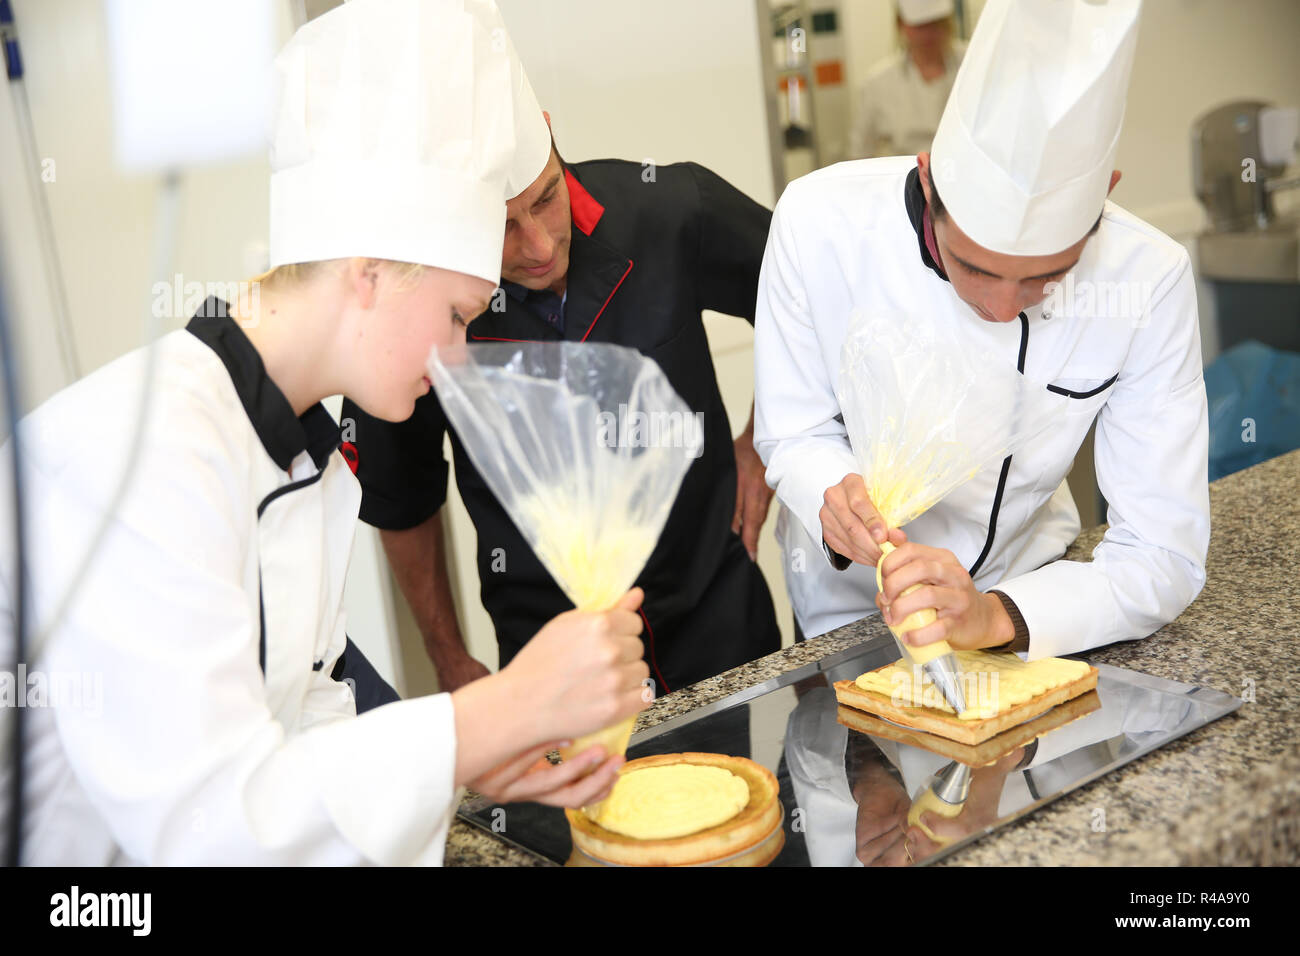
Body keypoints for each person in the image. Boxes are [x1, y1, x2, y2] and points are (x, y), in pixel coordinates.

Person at [0, 0, 649, 866]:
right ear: (371, 271)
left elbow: (304, 716)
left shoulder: (310, 456)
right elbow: (208, 833)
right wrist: (497, 712)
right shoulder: (139, 452)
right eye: (457, 316)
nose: (457, 356)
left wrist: (477, 758)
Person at [754, 0, 1210, 662]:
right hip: (850, 618)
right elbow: (795, 431)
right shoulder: (817, 223)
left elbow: (1163, 553)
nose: (1000, 308)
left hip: (1037, 604)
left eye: (1043, 280)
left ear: (1104, 196)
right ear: (928, 178)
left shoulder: (1149, 280)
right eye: (970, 267)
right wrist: (833, 492)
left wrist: (996, 616)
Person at [342, 119, 783, 696]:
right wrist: (447, 656)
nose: (540, 246)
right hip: (550, 661)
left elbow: (798, 295)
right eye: (500, 228)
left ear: (550, 136)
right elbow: (401, 496)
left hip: (716, 619)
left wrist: (763, 440)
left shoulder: (667, 209)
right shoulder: (420, 309)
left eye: (548, 199)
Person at [848, 0, 965, 160]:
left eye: (936, 25)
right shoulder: (878, 83)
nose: (928, 34)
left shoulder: (973, 63)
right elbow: (860, 151)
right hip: (907, 177)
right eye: (920, 27)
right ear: (900, 25)